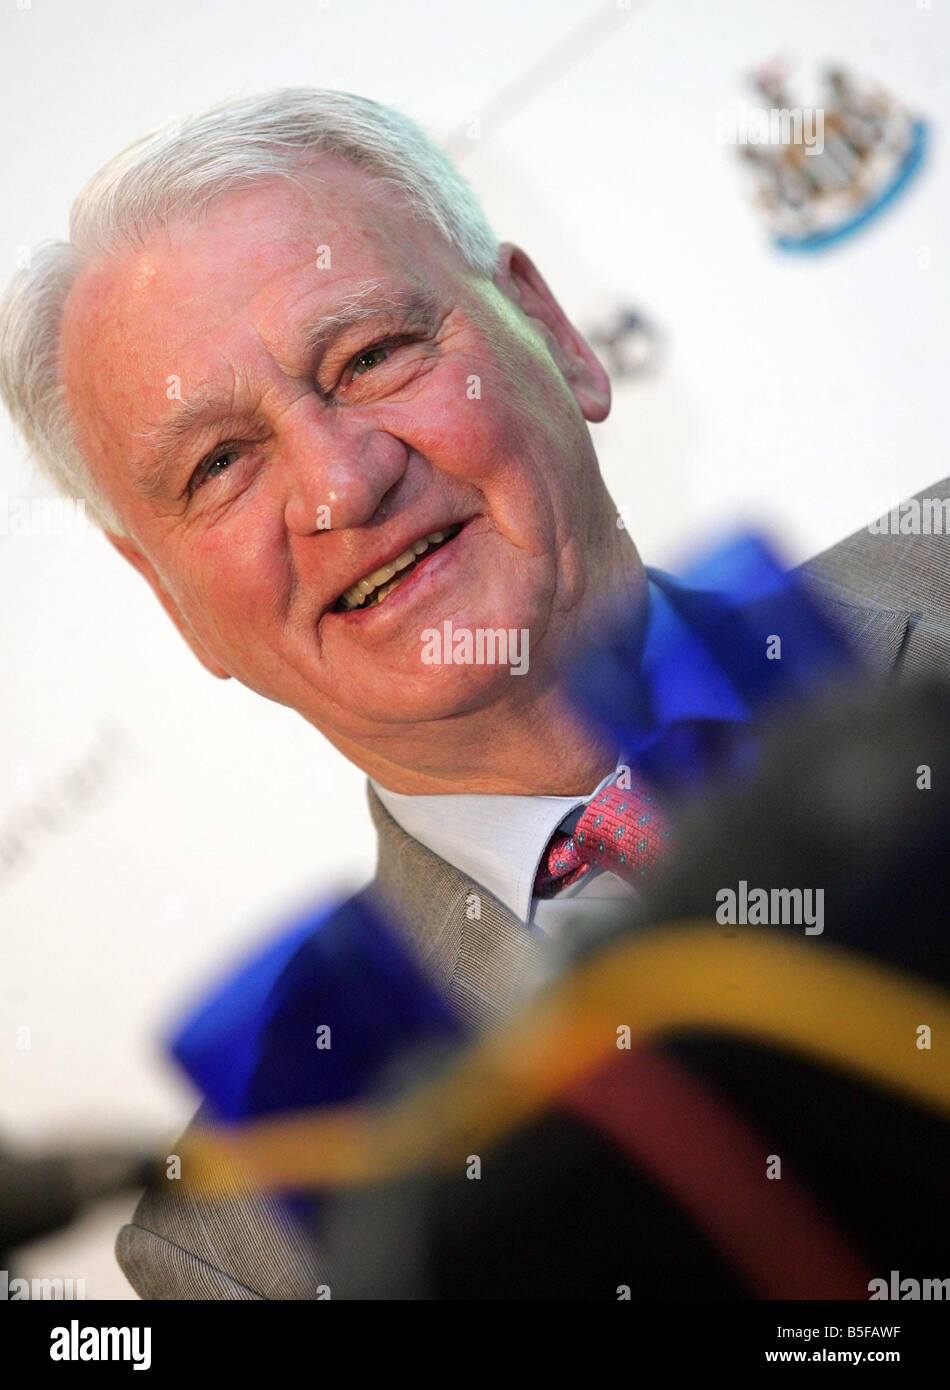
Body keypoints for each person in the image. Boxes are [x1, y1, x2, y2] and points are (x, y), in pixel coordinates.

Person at [1, 89, 947, 1299]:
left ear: (552, 332)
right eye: (220, 464)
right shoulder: (243, 1240)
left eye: (372, 355)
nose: (340, 481)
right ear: (169, 595)